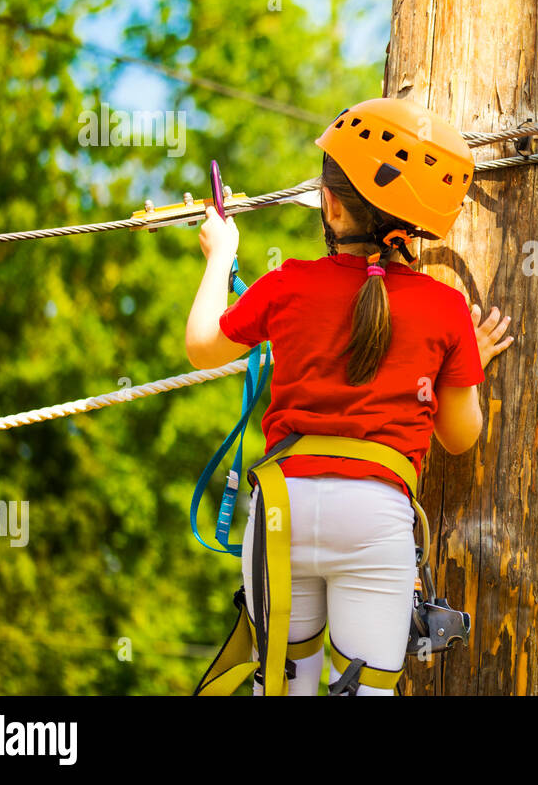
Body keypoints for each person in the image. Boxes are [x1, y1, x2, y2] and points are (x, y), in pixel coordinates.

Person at [185, 97, 514, 695]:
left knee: (284, 685)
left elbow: (203, 346)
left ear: (330, 204)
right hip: (373, 518)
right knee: (365, 688)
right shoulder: (444, 308)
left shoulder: (288, 284)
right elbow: (460, 438)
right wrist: (461, 369)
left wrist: (221, 256)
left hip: (282, 509)